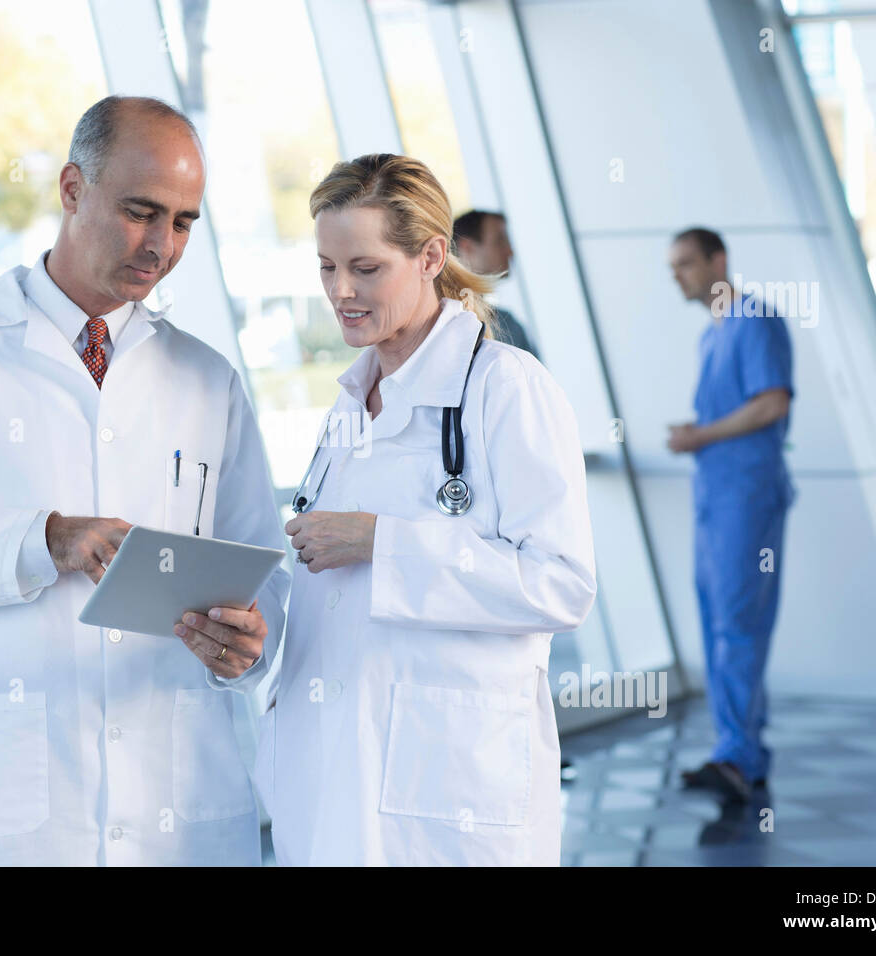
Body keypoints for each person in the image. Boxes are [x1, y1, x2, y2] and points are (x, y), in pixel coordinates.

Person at [0, 96, 290, 866]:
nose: (162, 245)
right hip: (12, 816)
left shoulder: (207, 380)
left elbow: (263, 572)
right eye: (141, 212)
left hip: (179, 813)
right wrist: (43, 539)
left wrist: (252, 640)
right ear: (72, 188)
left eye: (183, 223)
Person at [261, 154, 597, 866]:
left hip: (448, 795)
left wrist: (384, 542)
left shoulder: (506, 388)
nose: (341, 290)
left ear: (430, 257)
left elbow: (562, 582)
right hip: (332, 779)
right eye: (326, 267)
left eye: (366, 267)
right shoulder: (349, 403)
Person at [666, 226, 794, 803]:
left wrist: (701, 436)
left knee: (739, 624)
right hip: (716, 497)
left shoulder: (756, 322)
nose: (679, 275)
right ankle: (739, 751)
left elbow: (773, 402)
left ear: (719, 260)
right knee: (718, 620)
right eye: (674, 266)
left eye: (688, 263)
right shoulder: (707, 337)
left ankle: (738, 755)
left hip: (747, 495)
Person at [452, 209, 538, 359]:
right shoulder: (444, 321)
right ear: (467, 248)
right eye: (499, 241)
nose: (509, 252)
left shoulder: (509, 325)